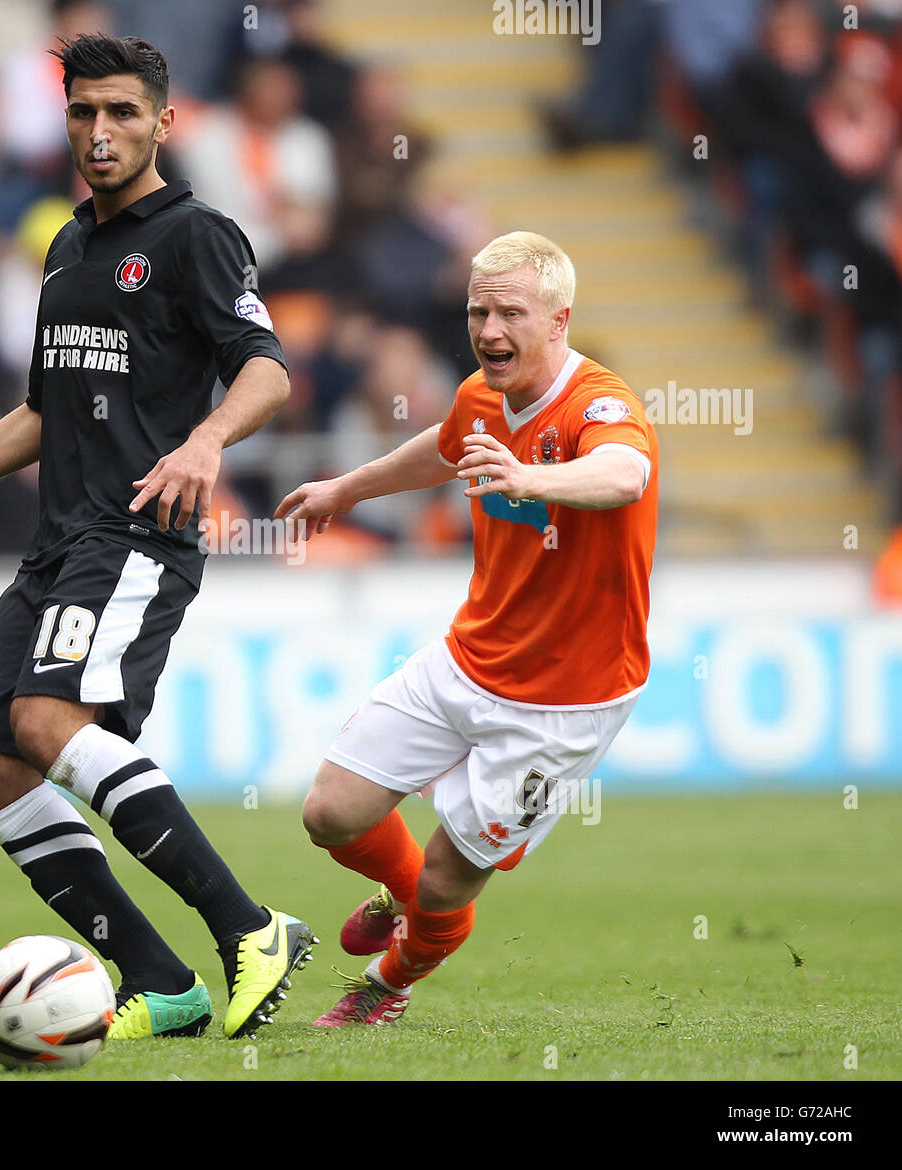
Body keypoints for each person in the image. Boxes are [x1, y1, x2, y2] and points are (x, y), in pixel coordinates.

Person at [0, 34, 314, 1040]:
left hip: (137, 537)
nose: (100, 131)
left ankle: (251, 928)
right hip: (60, 542)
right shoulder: (68, 247)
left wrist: (206, 440)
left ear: (163, 122)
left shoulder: (196, 235)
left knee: (44, 721)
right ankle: (161, 982)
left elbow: (268, 368)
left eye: (121, 112)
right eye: (83, 112)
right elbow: (43, 415)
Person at [275, 231, 657, 1025]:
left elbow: (626, 474)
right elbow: (446, 447)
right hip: (469, 656)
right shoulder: (483, 394)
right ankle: (406, 893)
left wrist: (529, 476)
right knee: (330, 813)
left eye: (511, 313)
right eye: (480, 311)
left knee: (452, 879)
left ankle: (389, 984)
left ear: (558, 321)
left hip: (565, 700)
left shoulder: (601, 406)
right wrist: (347, 489)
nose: (489, 330)